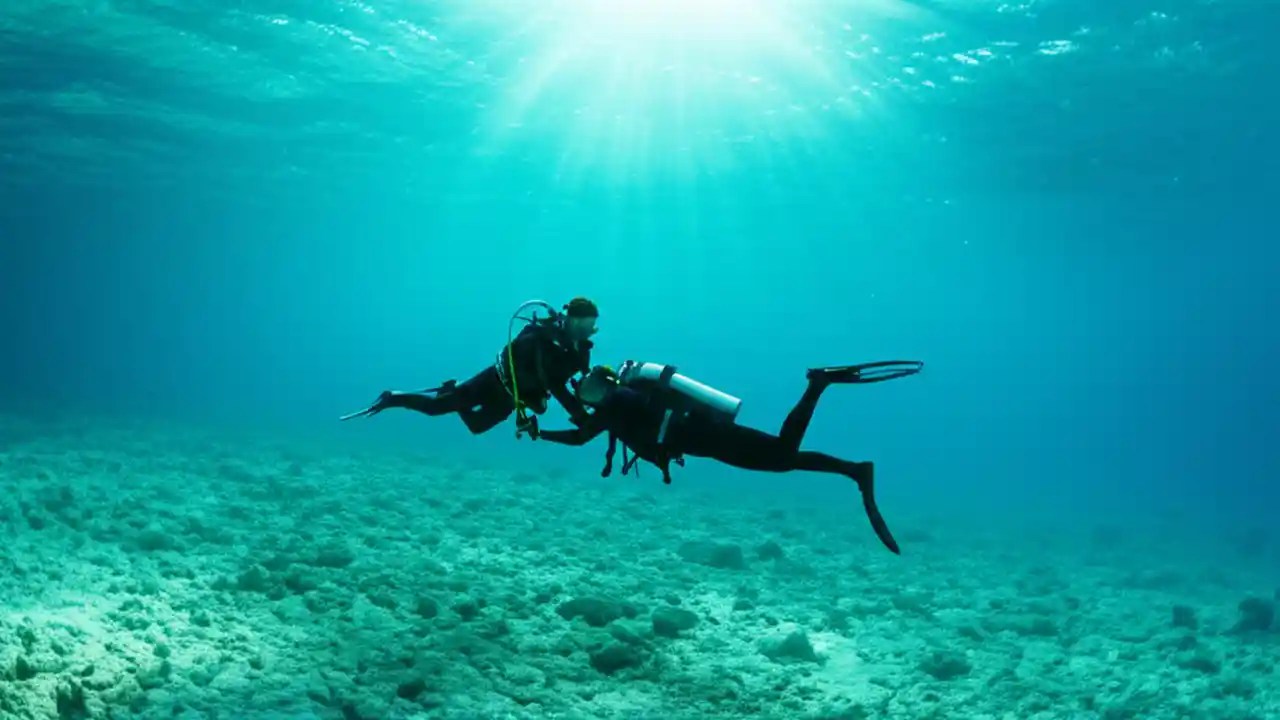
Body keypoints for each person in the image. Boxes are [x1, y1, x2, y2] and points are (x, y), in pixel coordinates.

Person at [530, 360, 924, 554]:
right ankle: (854, 470)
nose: (587, 400)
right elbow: (591, 433)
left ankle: (818, 387)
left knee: (782, 454)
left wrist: (540, 432)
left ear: (598, 389)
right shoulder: (623, 399)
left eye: (587, 394)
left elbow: (581, 438)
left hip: (708, 437)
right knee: (781, 458)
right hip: (706, 439)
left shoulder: (615, 403)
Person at [341, 298, 600, 435]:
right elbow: (554, 384)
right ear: (570, 319)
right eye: (583, 325)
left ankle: (450, 391)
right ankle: (393, 397)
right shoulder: (542, 338)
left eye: (590, 326)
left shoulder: (580, 352)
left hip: (515, 398)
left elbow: (579, 385)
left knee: (476, 427)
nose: (587, 331)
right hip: (495, 381)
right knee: (435, 408)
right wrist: (580, 416)